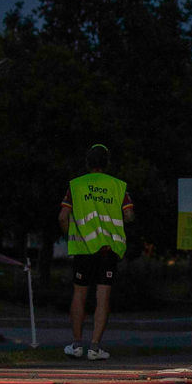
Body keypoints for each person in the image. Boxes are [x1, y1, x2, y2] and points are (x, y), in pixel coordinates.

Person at [60, 143, 134, 361]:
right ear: (107, 164)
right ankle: (94, 347)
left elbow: (62, 217)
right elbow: (129, 216)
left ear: (87, 163)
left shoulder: (75, 186)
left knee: (79, 294)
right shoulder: (118, 187)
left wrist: (70, 237)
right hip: (108, 250)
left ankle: (76, 344)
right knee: (103, 297)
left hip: (83, 248)